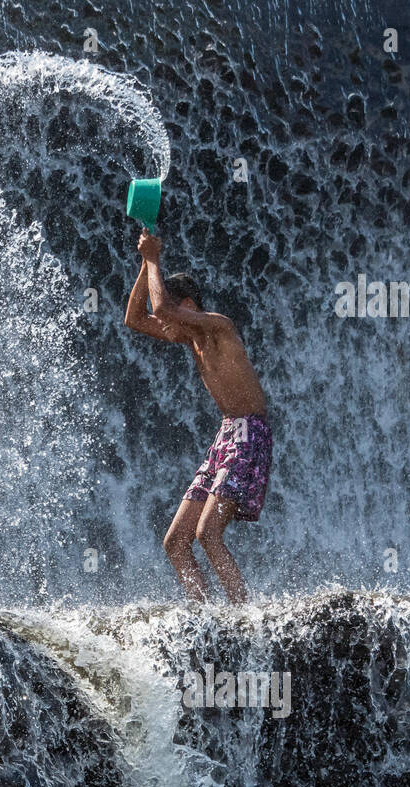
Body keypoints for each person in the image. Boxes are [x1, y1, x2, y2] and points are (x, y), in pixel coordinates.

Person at [124, 230, 271, 603]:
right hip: (225, 437)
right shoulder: (190, 338)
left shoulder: (219, 327)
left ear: (187, 305)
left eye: (173, 314)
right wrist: (146, 263)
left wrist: (155, 258)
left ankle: (242, 617)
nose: (164, 326)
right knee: (175, 542)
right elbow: (135, 318)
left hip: (249, 435)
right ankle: (205, 620)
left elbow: (162, 311)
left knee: (208, 534)